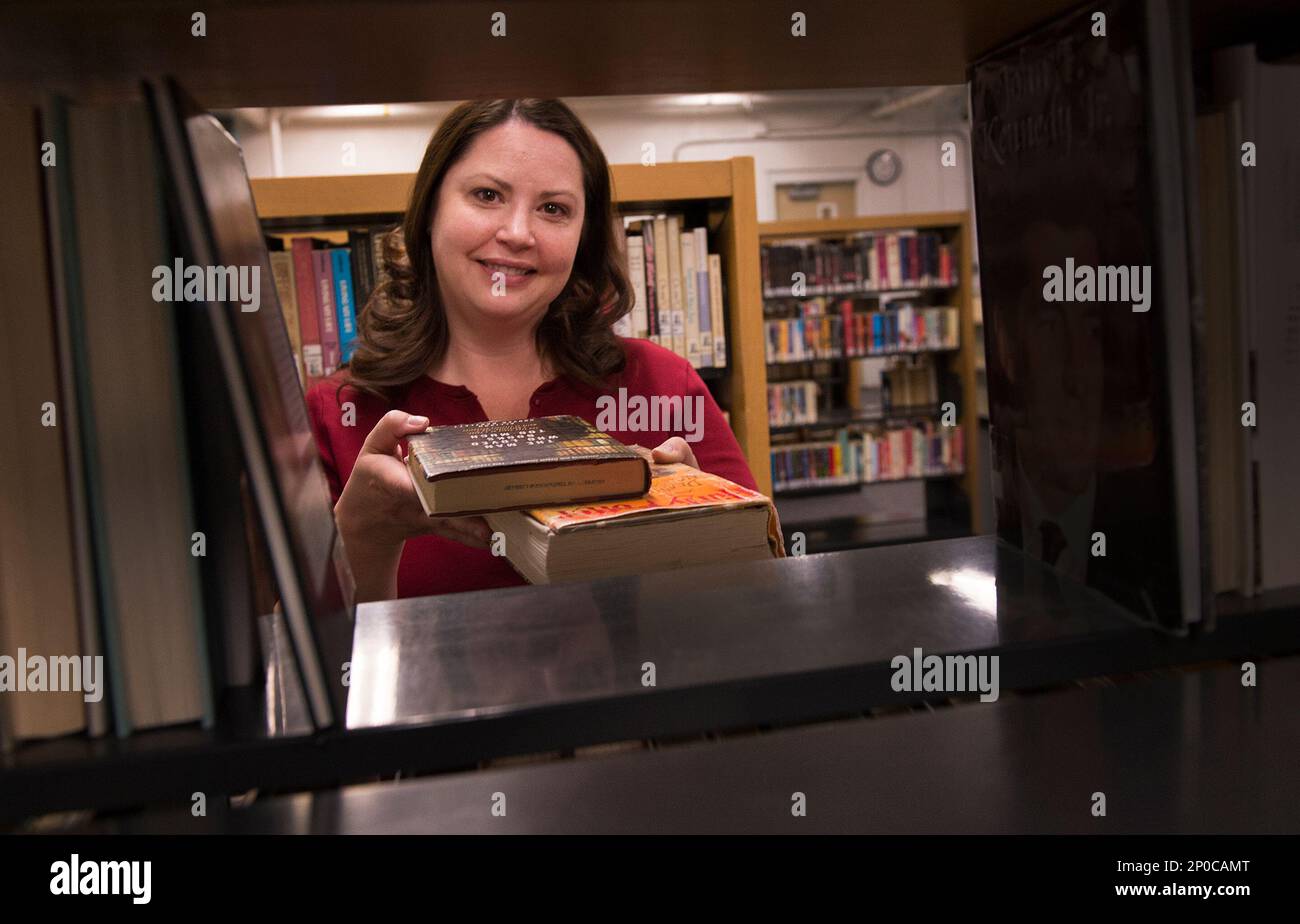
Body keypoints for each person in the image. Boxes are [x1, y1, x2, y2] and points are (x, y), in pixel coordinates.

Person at [306, 99, 758, 602]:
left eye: (553, 209)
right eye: (487, 194)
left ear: (582, 240)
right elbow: (312, 662)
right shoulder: (335, 412)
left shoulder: (663, 388)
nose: (517, 233)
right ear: (430, 212)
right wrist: (363, 537)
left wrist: (699, 537)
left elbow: (754, 606)